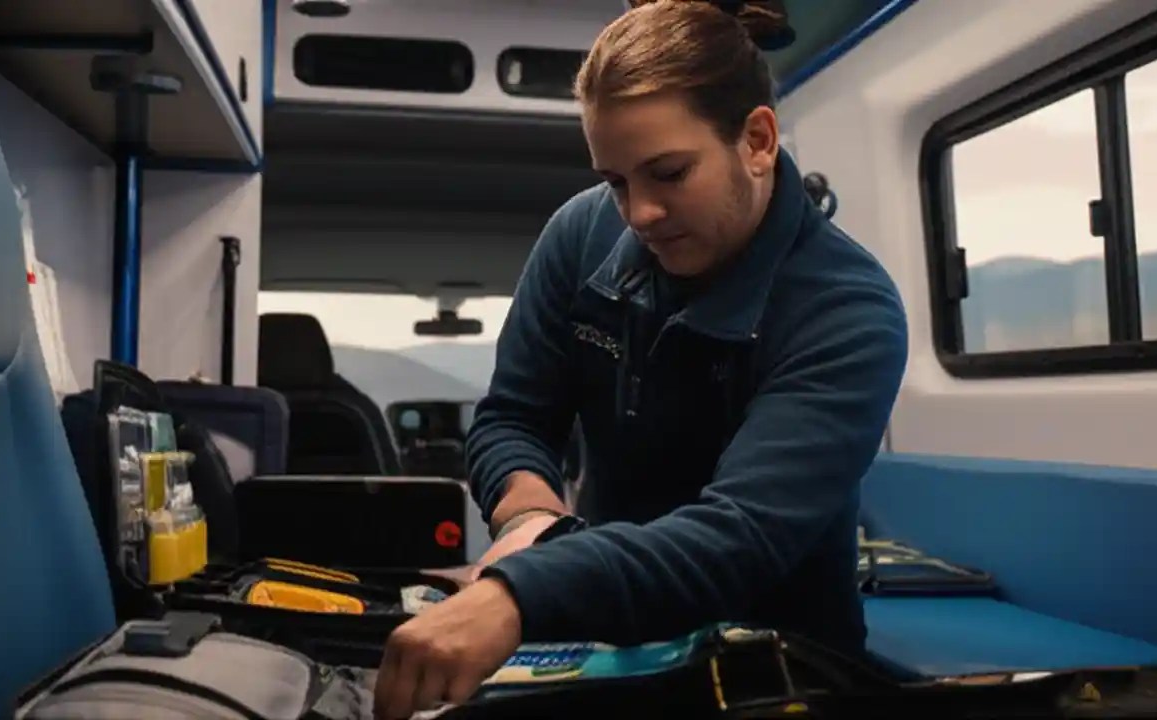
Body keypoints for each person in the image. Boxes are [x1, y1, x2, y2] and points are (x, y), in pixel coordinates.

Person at [371, 0, 908, 716]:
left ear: (756, 139)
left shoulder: (849, 311)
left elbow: (736, 538)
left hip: (776, 665)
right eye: (616, 181)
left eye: (669, 173)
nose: (639, 213)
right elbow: (511, 419)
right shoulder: (579, 234)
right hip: (601, 638)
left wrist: (521, 593)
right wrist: (529, 523)